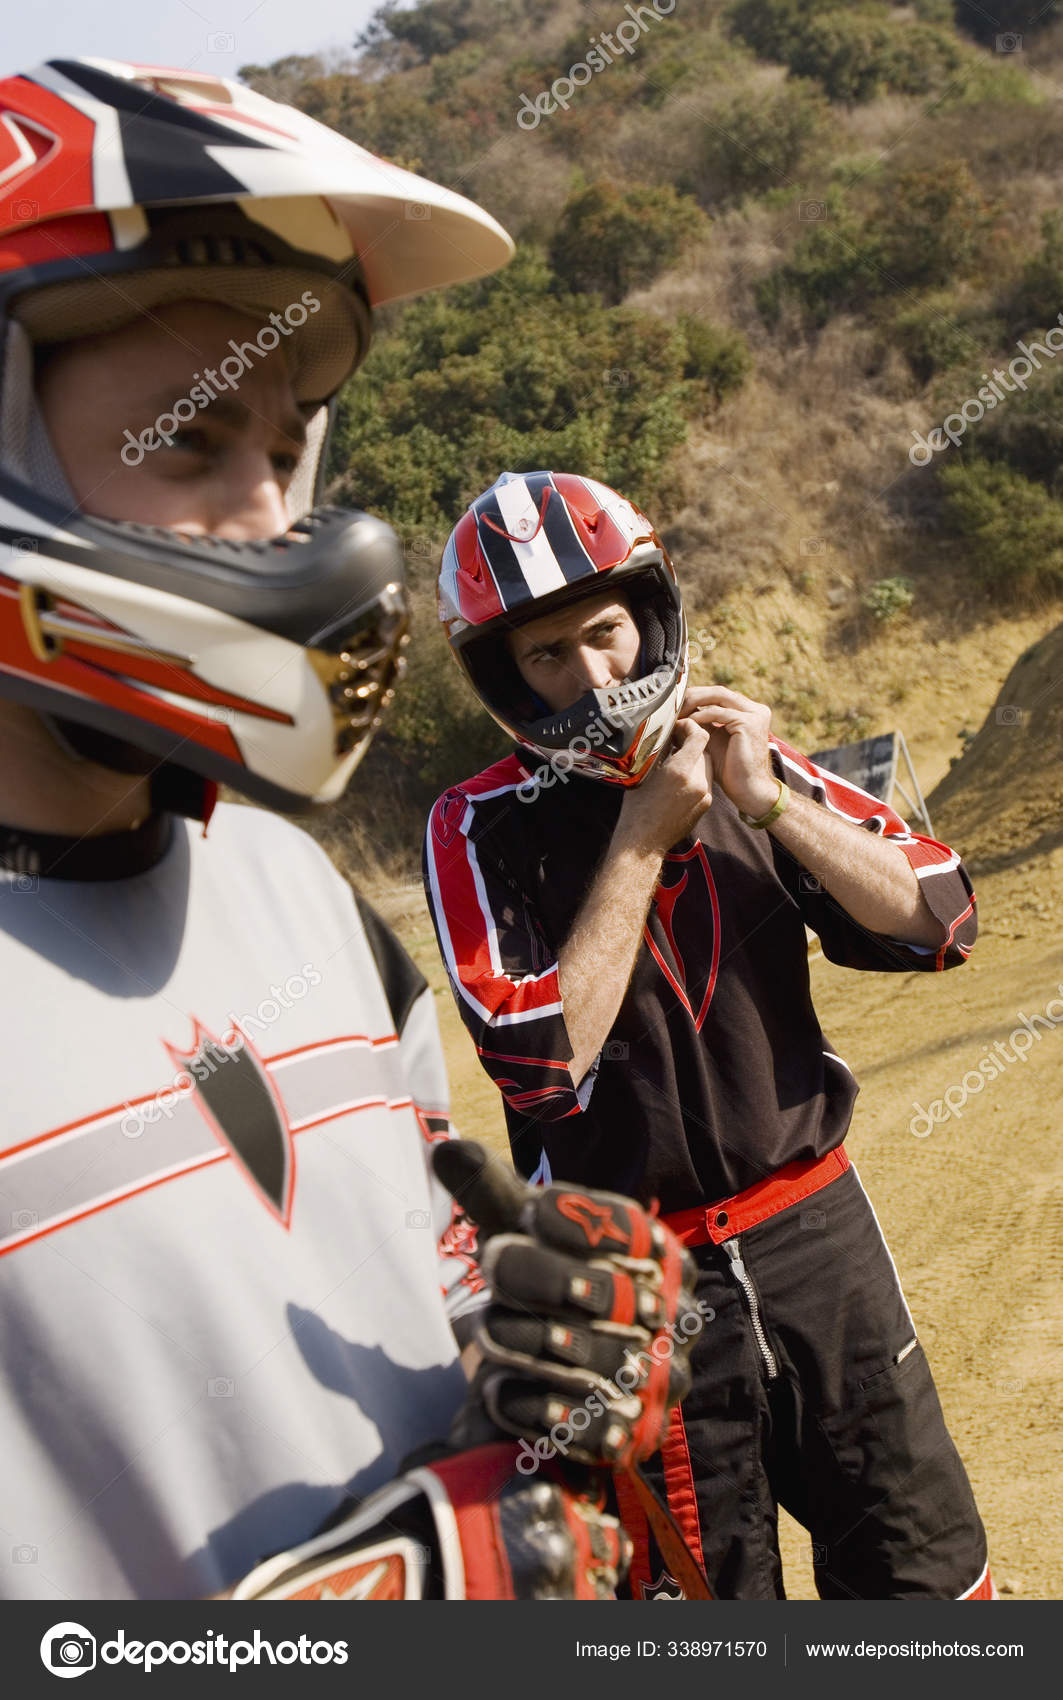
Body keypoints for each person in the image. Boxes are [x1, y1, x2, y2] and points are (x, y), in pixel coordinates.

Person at [0, 62, 699, 1603]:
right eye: (193, 445)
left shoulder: (297, 895)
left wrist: (541, 1368)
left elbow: (424, 1293)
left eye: (288, 440)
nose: (270, 517)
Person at [423, 468, 997, 1601]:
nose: (594, 677)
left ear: (653, 611)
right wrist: (641, 837)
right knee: (703, 1603)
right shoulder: (478, 825)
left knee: (918, 1559)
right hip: (634, 1282)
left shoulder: (738, 750)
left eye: (606, 632)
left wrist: (773, 800)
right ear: (503, 674)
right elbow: (535, 1060)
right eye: (548, 656)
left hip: (815, 1232)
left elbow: (942, 917)